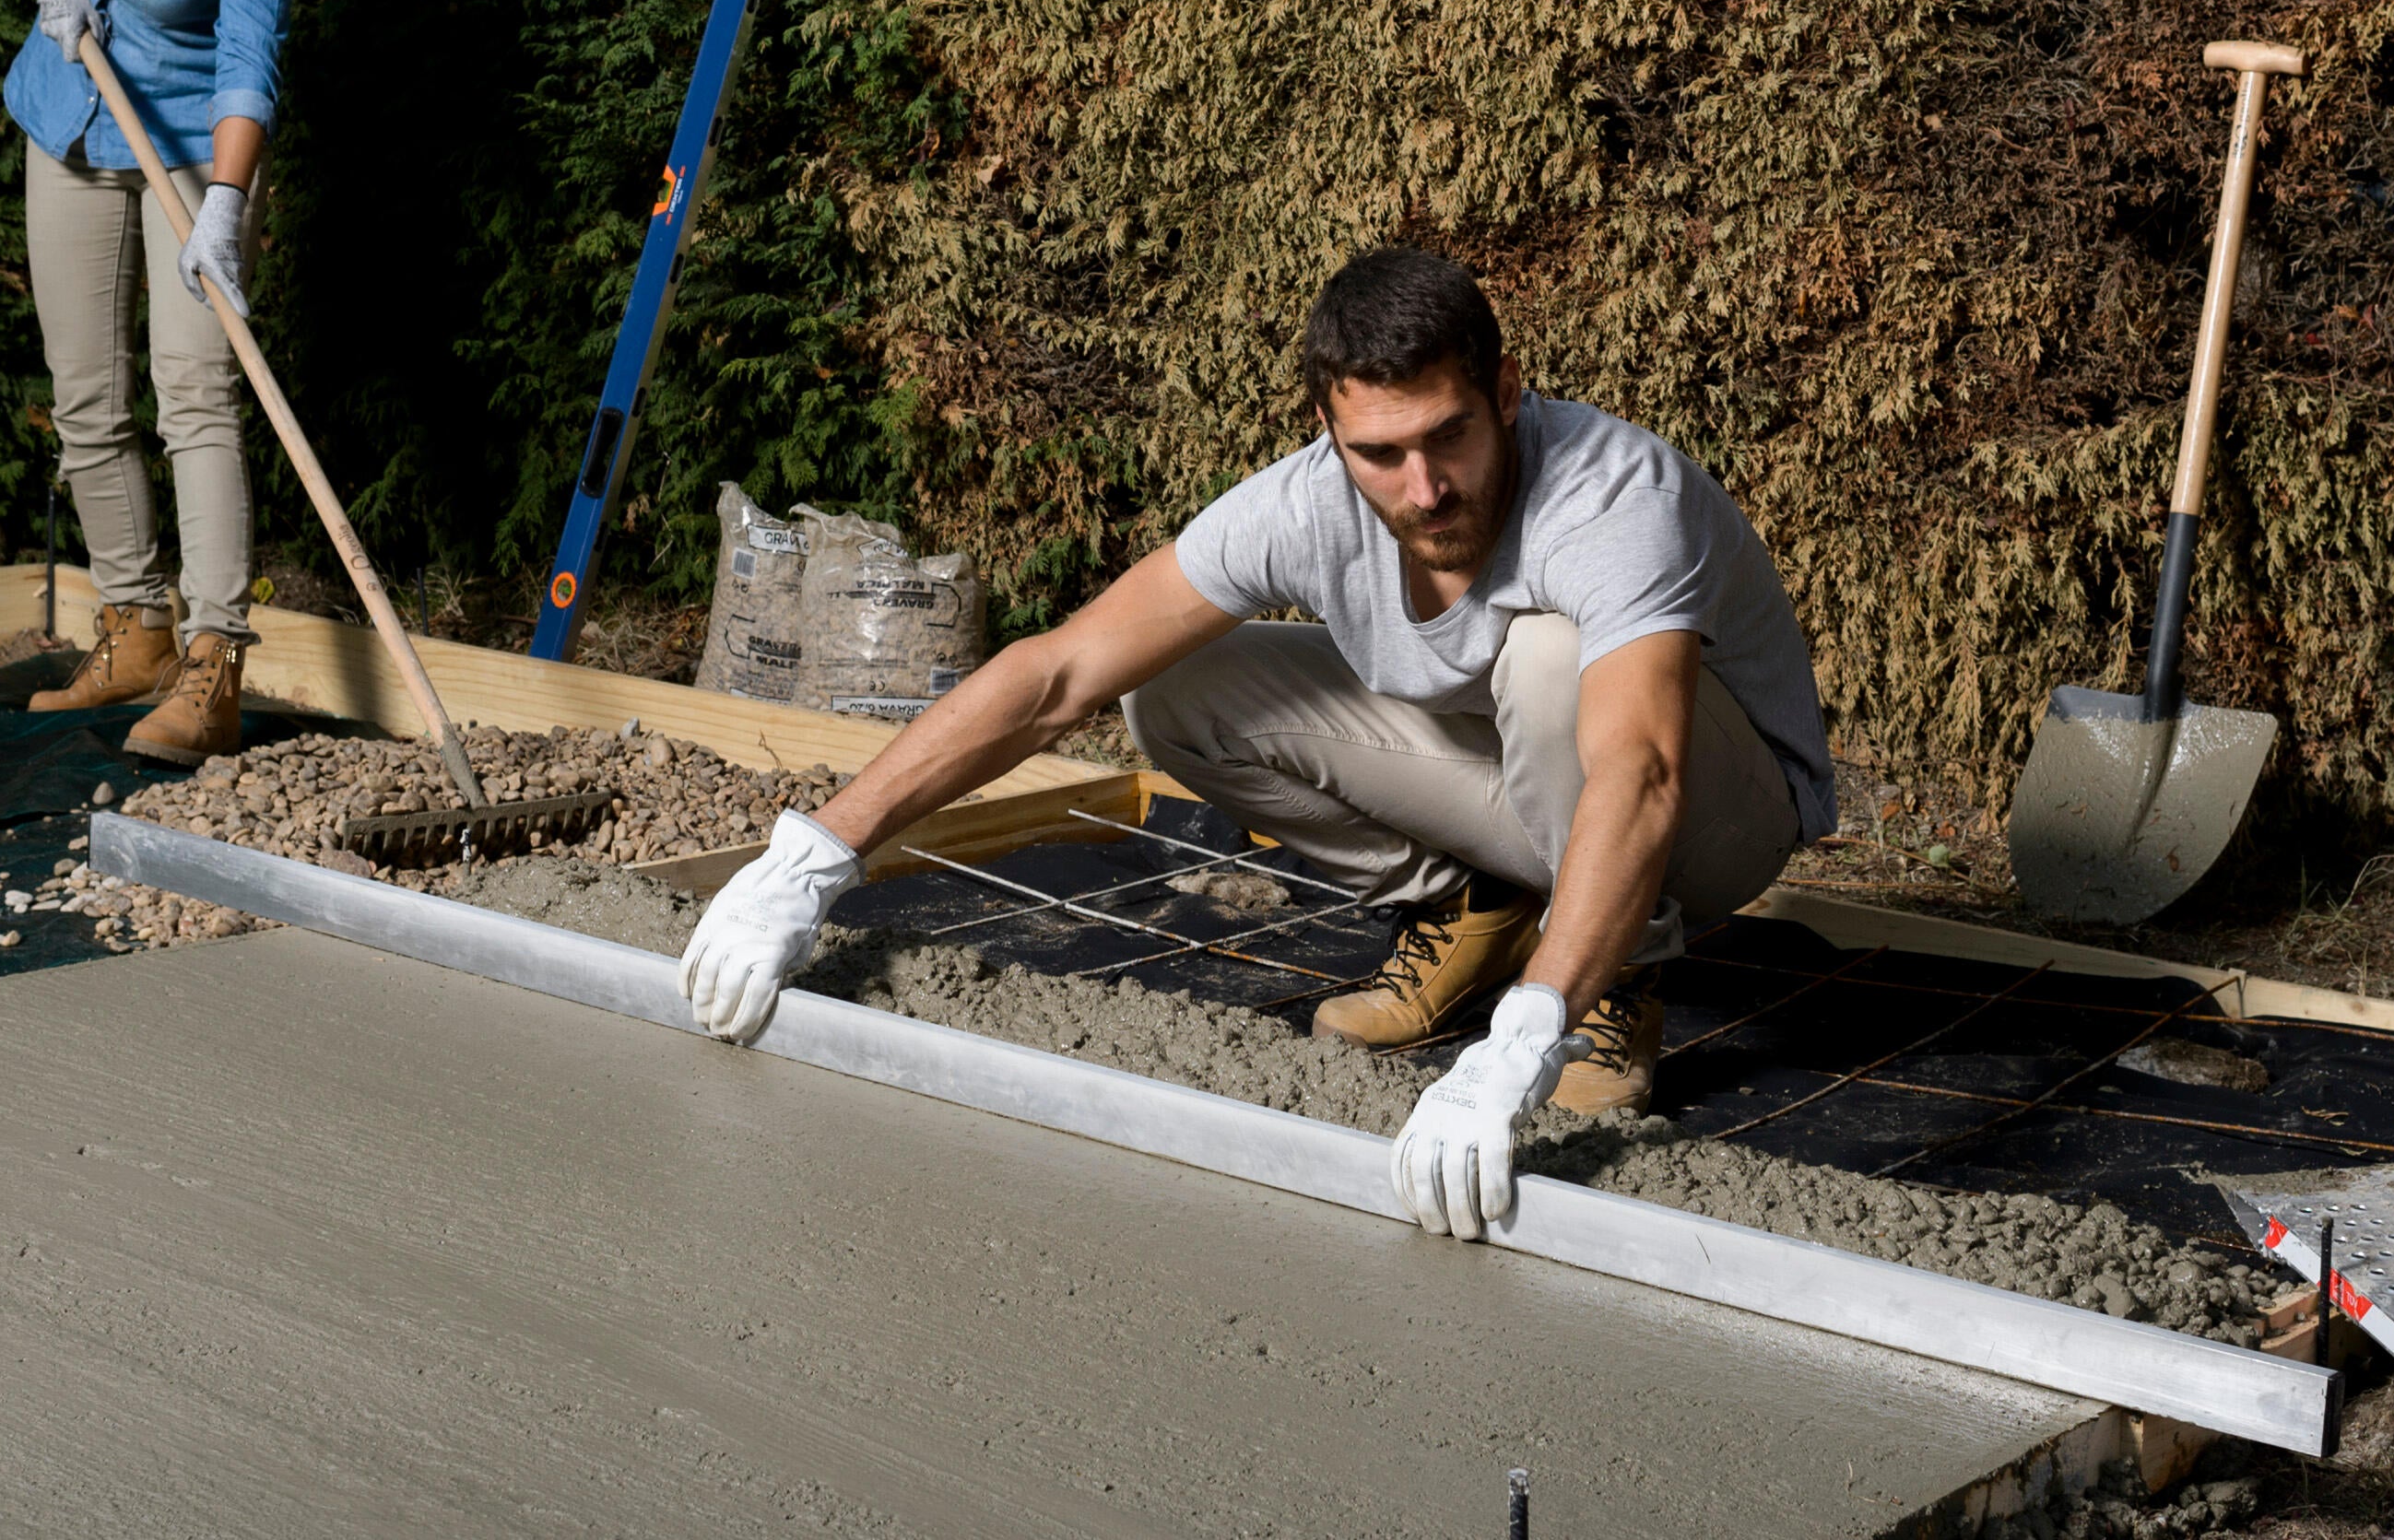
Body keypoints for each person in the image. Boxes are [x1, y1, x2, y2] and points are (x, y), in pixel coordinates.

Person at [678, 248, 1834, 1241]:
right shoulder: (1306, 503)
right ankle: (1474, 909)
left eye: (1451, 436)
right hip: (1526, 775)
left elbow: (1641, 769)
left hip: (1716, 818)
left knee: (1544, 657)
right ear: (1328, 434)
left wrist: (1525, 1035)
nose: (1424, 488)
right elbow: (1062, 670)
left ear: (1507, 391)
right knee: (1170, 688)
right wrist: (815, 851)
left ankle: (1602, 982)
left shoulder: (1611, 496)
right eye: (1379, 453)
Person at [6, 0, 295, 765]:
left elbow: (249, 61)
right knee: (84, 393)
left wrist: (226, 204)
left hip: (187, 151)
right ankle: (130, 626)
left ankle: (212, 663)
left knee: (195, 398)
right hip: (66, 114)